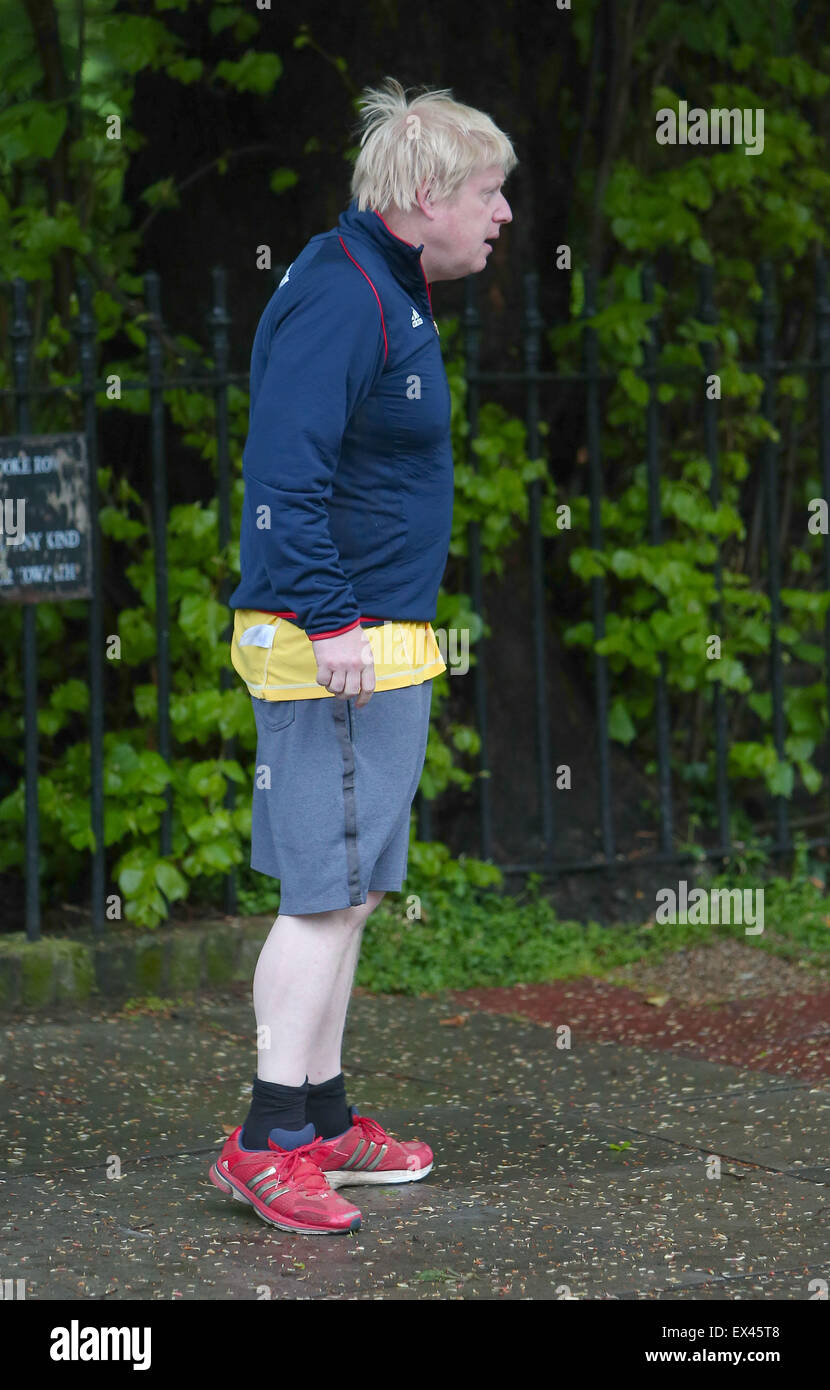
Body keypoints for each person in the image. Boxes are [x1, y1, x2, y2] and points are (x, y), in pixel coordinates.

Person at [210, 77, 515, 1234]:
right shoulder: (347, 297)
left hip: (370, 639)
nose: (498, 215)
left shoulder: (381, 282)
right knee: (321, 899)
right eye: (486, 193)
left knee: (354, 893)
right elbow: (281, 473)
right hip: (327, 643)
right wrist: (332, 621)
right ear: (426, 194)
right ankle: (262, 1138)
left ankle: (321, 1118)